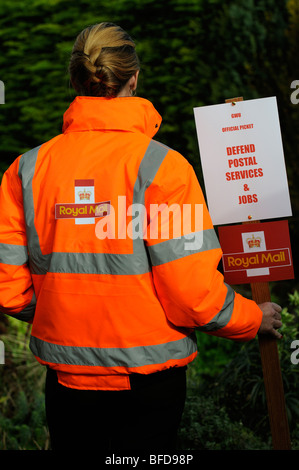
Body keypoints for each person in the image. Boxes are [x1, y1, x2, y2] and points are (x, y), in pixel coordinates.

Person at [0, 22, 282, 451]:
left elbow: (8, 289)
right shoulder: (164, 168)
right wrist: (252, 318)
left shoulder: (25, 170)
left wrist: (65, 309)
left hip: (65, 380)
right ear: (134, 78)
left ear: (74, 81)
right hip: (149, 382)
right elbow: (192, 294)